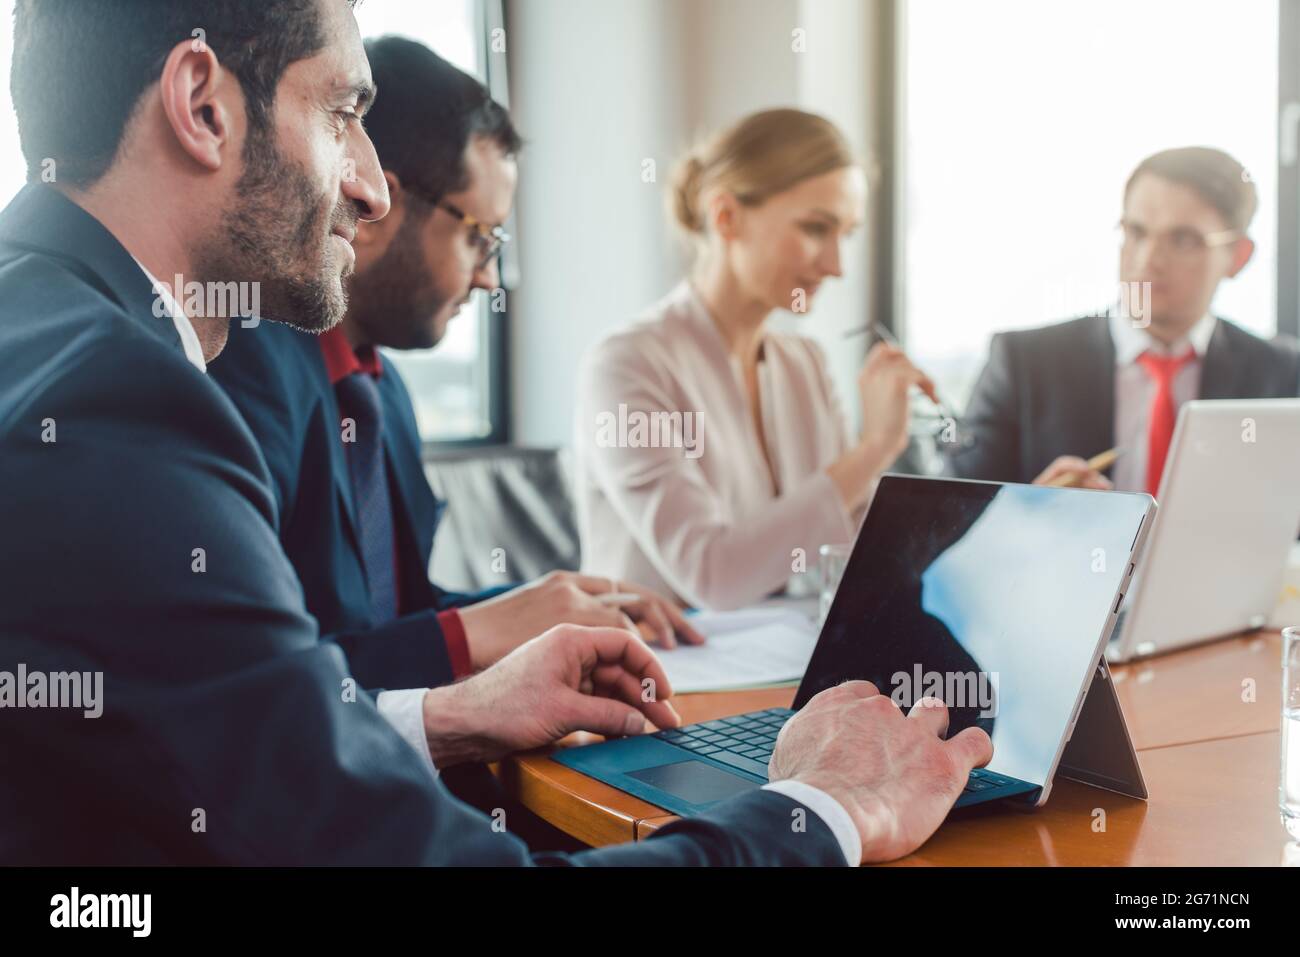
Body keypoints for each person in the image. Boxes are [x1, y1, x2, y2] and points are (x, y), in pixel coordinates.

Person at [0, 0, 991, 866]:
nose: (370, 188)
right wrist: (822, 809)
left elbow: (222, 732)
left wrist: (452, 711)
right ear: (204, 105)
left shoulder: (48, 335)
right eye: (342, 115)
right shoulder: (120, 402)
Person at [210, 37, 701, 714]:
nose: (489, 277)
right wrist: (478, 630)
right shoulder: (240, 372)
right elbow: (269, 687)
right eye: (480, 236)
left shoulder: (384, 394)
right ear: (382, 207)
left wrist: (547, 608)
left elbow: (397, 621)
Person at [574, 108, 938, 611]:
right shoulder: (626, 365)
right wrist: (873, 449)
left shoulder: (806, 364)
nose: (835, 265)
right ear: (726, 217)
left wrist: (1007, 509)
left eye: (845, 234)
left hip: (776, 669)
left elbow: (854, 562)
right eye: (815, 228)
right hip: (654, 677)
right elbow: (714, 574)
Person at [945, 146, 1300, 493]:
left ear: (1237, 257)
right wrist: (1034, 516)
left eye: (1182, 240)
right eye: (1137, 232)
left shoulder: (1282, 373)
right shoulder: (1024, 364)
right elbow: (950, 521)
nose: (1148, 259)